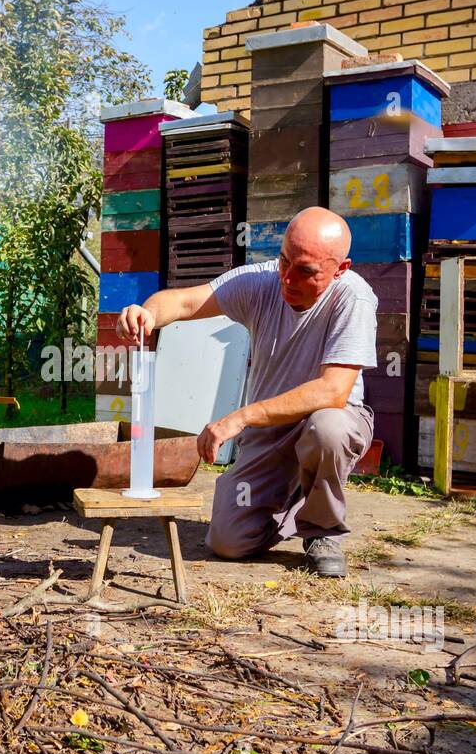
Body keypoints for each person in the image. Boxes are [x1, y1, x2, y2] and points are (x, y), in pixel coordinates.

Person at [117, 207, 377, 577]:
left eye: (305, 270)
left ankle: (322, 531)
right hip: (270, 431)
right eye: (284, 259)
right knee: (228, 542)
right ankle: (295, 502)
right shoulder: (261, 281)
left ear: (341, 269)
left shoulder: (354, 299)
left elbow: (332, 391)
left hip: (332, 419)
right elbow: (185, 301)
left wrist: (239, 416)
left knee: (327, 430)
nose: (287, 278)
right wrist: (147, 314)